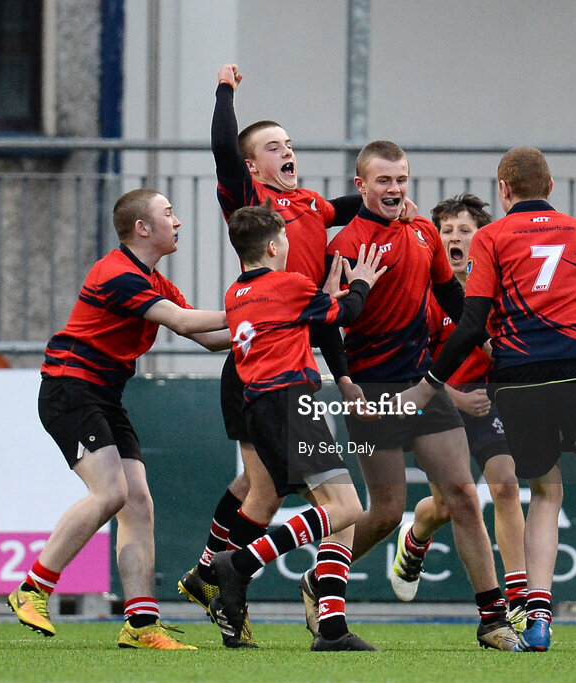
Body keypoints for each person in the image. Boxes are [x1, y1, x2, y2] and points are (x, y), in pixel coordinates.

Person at [399, 147, 576, 653]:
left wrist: (432, 381)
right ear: (549, 187)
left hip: (519, 381)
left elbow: (473, 321)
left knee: (546, 495)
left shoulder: (492, 237)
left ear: (504, 191)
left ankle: (540, 621)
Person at [178, 64, 414, 646]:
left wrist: (386, 201)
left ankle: (232, 591)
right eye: (273, 146)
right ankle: (228, 570)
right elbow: (221, 150)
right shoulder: (249, 201)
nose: (287, 152)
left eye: (290, 144)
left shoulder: (311, 205)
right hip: (274, 375)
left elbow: (346, 210)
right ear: (253, 166)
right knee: (333, 503)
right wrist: (225, 90)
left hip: (286, 363)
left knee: (266, 492)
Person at [315, 141, 519, 651]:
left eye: (401, 179)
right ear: (360, 185)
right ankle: (324, 585)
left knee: (464, 497)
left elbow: (450, 293)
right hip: (373, 393)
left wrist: (490, 342)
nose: (395, 189)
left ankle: (493, 621)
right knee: (385, 512)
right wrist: (344, 382)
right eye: (383, 180)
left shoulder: (423, 231)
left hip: (424, 388)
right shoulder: (346, 245)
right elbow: (328, 325)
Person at [7, 189, 230, 651]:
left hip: (103, 395)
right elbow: (188, 324)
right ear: (142, 228)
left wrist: (280, 329)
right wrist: (264, 310)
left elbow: (209, 339)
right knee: (110, 494)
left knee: (138, 504)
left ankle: (142, 624)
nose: (178, 222)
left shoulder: (153, 281)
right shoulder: (117, 274)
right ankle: (32, 589)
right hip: (71, 388)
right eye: (169, 213)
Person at [209, 204, 386, 651]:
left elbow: (306, 313)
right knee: (348, 509)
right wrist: (362, 281)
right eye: (285, 239)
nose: (290, 245)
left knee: (336, 516)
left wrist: (326, 295)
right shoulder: (289, 285)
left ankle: (330, 627)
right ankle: (242, 563)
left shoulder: (236, 294)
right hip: (290, 405)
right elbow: (347, 314)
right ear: (272, 246)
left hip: (263, 410)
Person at [388, 193, 528, 631]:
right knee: (450, 507)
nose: (454, 237)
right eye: (446, 230)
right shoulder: (427, 294)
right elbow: (413, 367)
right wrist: (455, 396)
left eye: (464, 230)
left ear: (481, 239)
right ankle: (414, 538)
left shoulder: (499, 288)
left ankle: (520, 601)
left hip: (485, 402)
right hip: (438, 402)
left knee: (505, 486)